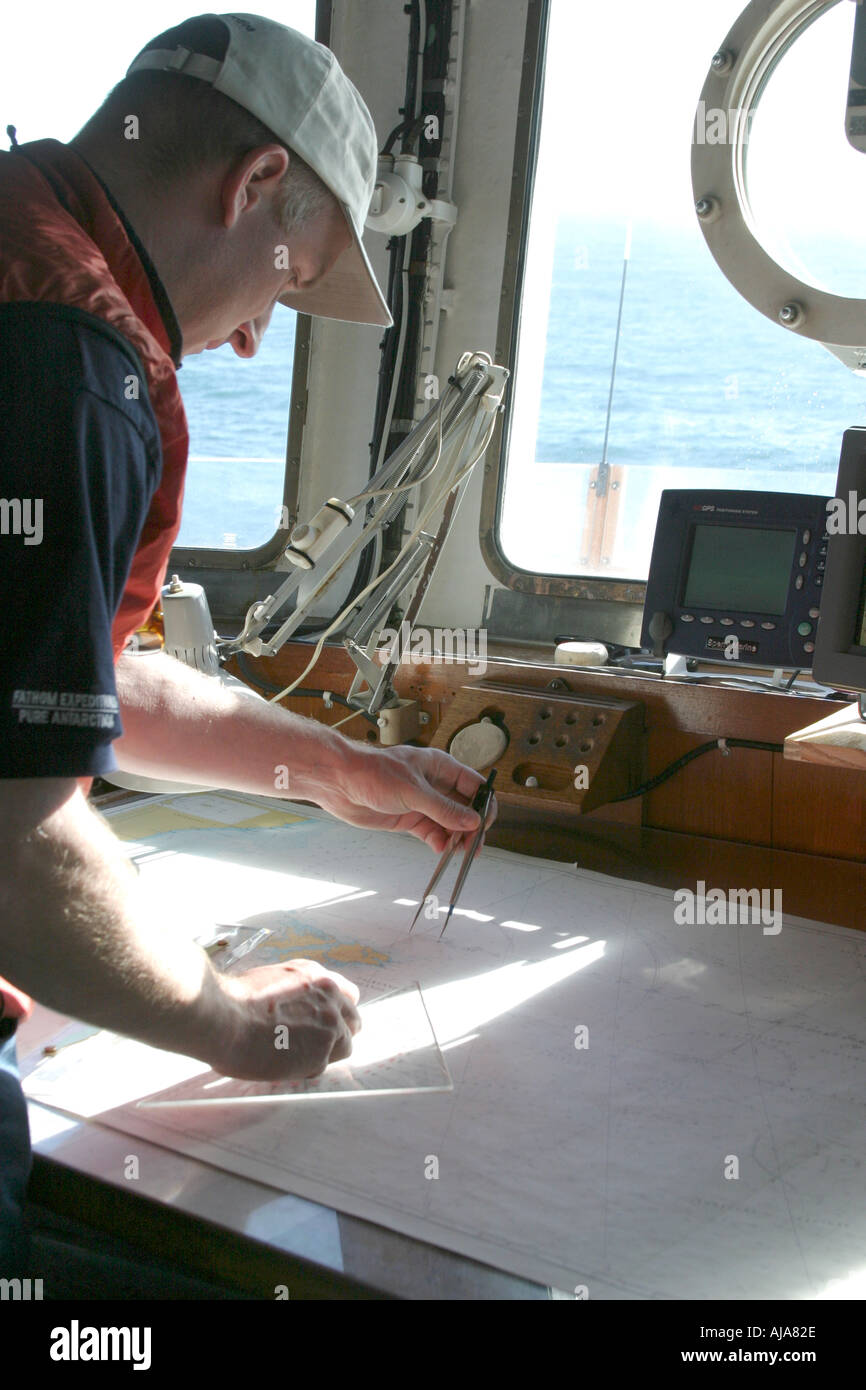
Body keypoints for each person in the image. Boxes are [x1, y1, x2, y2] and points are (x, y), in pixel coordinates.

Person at [0, 13, 492, 1291]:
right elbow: (21, 840)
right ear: (255, 182)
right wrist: (240, 1025)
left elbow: (58, 674)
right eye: (286, 276)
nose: (252, 336)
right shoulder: (64, 361)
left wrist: (327, 764)